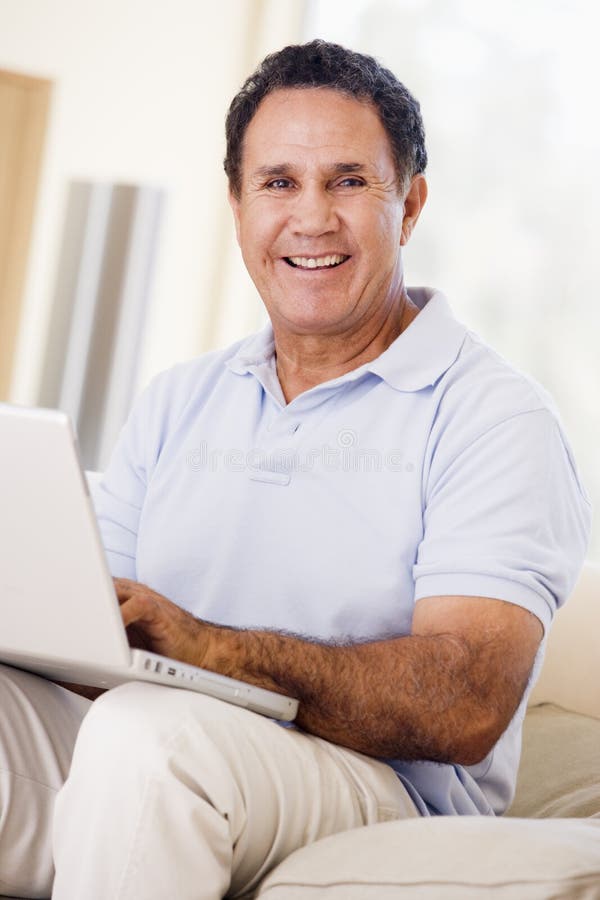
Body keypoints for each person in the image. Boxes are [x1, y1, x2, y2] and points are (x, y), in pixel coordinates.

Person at [0, 40, 591, 900]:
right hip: (160, 749)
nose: (311, 218)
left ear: (411, 205)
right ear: (238, 204)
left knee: (146, 739)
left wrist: (215, 651)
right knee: (123, 729)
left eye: (349, 181)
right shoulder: (179, 398)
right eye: (279, 182)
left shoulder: (495, 416)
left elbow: (466, 702)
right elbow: (101, 643)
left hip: (374, 783)